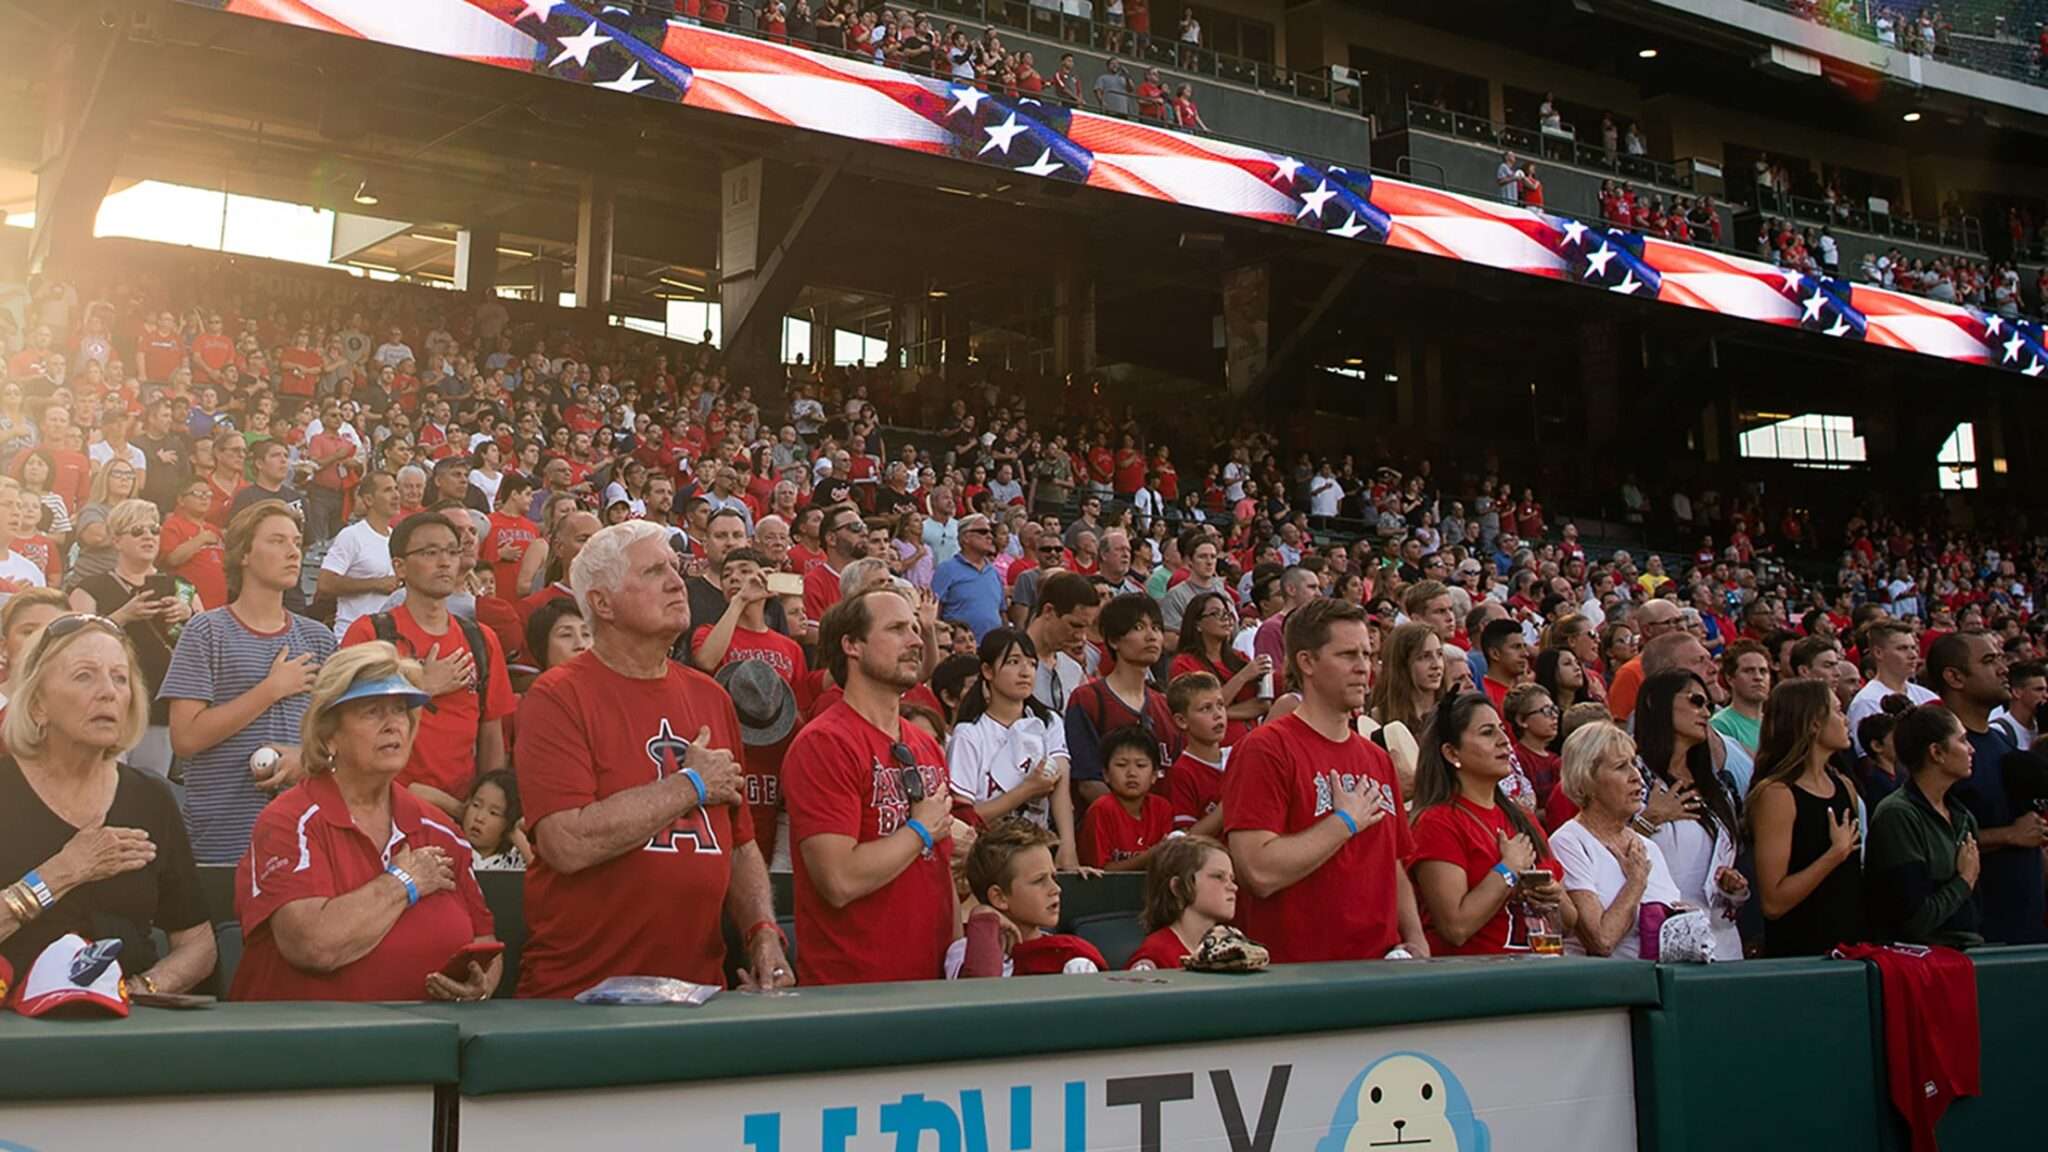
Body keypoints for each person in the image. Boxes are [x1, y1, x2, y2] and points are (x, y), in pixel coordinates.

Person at [515, 521, 788, 996]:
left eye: (676, 569)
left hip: (698, 994)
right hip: (581, 997)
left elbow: (740, 843)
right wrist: (690, 786)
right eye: (654, 571)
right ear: (602, 603)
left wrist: (762, 931)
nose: (677, 581)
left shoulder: (711, 696)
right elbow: (566, 842)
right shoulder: (557, 696)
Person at [229, 643, 498, 1001]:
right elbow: (312, 945)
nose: (393, 725)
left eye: (401, 711)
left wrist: (479, 986)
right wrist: (405, 882)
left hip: (426, 1043)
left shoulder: (440, 828)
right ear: (329, 736)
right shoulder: (289, 821)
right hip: (308, 1046)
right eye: (372, 712)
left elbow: (485, 942)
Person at [0, 614, 215, 994]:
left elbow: (197, 944)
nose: (109, 692)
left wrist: (137, 990)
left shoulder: (150, 798)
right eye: (85, 676)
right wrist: (63, 871)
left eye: (120, 678)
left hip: (122, 1029)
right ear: (37, 705)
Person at [1223, 597, 1429, 962]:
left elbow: (1392, 864)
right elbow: (1258, 871)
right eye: (1348, 655)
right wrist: (1344, 822)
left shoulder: (1378, 760)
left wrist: (1415, 938)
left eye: (1368, 655)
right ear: (1307, 662)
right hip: (1298, 977)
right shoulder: (1265, 749)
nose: (1363, 668)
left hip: (1382, 967)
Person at [784, 587, 959, 984]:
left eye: (915, 628)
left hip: (930, 985)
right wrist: (919, 830)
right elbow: (838, 880)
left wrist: (957, 958)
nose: (916, 640)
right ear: (851, 645)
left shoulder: (926, 744)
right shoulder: (824, 743)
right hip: (854, 994)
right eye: (897, 628)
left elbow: (940, 868)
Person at [162, 500, 336, 865]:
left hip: (304, 841)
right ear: (243, 554)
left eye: (295, 541)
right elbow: (186, 738)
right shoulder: (206, 630)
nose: (292, 551)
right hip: (222, 840)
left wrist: (307, 760)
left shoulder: (318, 638)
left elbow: (338, 742)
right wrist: (271, 689)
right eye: (276, 541)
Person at [342, 511, 513, 818]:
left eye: (452, 550)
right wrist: (422, 685)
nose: (445, 561)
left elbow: (490, 732)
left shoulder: (481, 640)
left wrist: (488, 811)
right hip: (384, 810)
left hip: (459, 816)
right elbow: (348, 725)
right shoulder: (369, 634)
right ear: (400, 566)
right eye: (430, 552)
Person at [1407, 693, 1573, 955]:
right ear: (1451, 752)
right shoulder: (1437, 822)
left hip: (1539, 974)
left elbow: (1570, 920)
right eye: (1487, 732)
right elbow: (1455, 927)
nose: (1504, 740)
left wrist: (1552, 895)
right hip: (1476, 982)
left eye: (1502, 730)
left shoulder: (1523, 818)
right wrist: (1508, 870)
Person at [1928, 631, 2047, 944]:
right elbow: (1933, 839)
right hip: (1979, 932)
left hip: (2027, 924)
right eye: (1989, 660)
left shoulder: (2000, 741)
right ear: (1954, 677)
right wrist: (2009, 835)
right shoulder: (1938, 751)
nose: (2004, 668)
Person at [68, 499, 192, 778]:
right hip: (106, 701)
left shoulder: (181, 587)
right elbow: (72, 644)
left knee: (151, 785)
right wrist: (122, 617)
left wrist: (189, 617)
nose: (148, 536)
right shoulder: (90, 587)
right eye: (137, 531)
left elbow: (206, 647)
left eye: (154, 530)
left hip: (159, 703)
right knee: (104, 780)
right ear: (116, 540)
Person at [1635, 671, 1749, 961]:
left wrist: (1732, 888)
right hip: (1656, 938)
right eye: (1696, 701)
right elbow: (1606, 848)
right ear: (1654, 702)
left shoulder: (1718, 787)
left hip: (1721, 942)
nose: (1705, 712)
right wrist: (1650, 820)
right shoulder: (1633, 776)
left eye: (1708, 705)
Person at [1748, 678, 1866, 957]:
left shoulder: (1844, 785)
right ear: (1813, 723)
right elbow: (1773, 902)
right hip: (1800, 952)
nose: (1846, 720)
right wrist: (1834, 854)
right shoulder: (1777, 794)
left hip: (1850, 947)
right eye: (1838, 711)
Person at [946, 627, 1079, 868]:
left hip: (1038, 850)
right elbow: (964, 818)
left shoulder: (1049, 722)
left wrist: (1068, 846)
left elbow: (1061, 783)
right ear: (987, 670)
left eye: (1031, 664)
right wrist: (1026, 790)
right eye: (1014, 662)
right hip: (987, 856)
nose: (1025, 672)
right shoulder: (969, 734)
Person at [1551, 722, 1683, 958]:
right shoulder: (1569, 842)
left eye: (1635, 763)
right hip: (1604, 988)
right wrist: (1635, 883)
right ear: (1586, 781)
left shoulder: (1648, 847)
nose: (1636, 777)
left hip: (1657, 986)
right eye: (1621, 767)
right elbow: (1601, 941)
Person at [1866, 704, 1982, 948]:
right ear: (1936, 752)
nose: (1971, 750)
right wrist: (1965, 879)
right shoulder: (1897, 816)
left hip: (1969, 951)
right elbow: (1916, 919)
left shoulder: (1962, 816)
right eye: (1962, 741)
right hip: (1920, 963)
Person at [949, 819, 1105, 979]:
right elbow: (979, 993)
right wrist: (984, 918)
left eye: (1053, 877)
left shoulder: (1069, 953)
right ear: (999, 897)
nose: (1056, 889)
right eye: (1039, 881)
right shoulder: (964, 951)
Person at [1065, 593, 1179, 806]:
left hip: (1164, 829)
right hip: (1107, 828)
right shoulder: (1088, 699)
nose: (1151, 636)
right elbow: (1088, 782)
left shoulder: (1165, 705)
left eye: (1156, 628)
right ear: (1114, 640)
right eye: (1138, 627)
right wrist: (1134, 823)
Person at [1169, 590, 1269, 747]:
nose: (1226, 618)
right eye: (1215, 613)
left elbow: (1262, 705)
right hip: (1213, 750)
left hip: (1249, 745)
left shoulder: (1240, 658)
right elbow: (1200, 707)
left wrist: (1220, 713)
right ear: (1198, 624)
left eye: (1227, 613)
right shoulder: (1184, 664)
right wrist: (1243, 676)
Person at [1127, 834, 1237, 971]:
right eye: (1218, 876)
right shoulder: (1154, 956)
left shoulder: (1230, 952)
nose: (1233, 887)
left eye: (1232, 879)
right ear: (1178, 887)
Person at [318, 471, 401, 640]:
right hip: (352, 637)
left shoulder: (397, 538)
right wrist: (375, 584)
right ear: (369, 500)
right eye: (387, 490)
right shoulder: (351, 535)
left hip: (388, 639)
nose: (396, 495)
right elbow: (325, 584)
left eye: (396, 489)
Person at [1082, 726, 1174, 871]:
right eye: (1121, 765)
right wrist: (1152, 854)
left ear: (1155, 774)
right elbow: (1102, 873)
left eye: (1141, 765)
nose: (1132, 773)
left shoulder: (1162, 808)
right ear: (1106, 774)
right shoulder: (1101, 809)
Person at [1847, 621, 1937, 755]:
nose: (1913, 655)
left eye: (1913, 648)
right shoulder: (1867, 702)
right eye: (1902, 648)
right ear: (1878, 653)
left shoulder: (1928, 697)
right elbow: (1867, 760)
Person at [1165, 671, 1229, 837]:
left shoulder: (1238, 757)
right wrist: (1229, 804)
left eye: (1221, 705)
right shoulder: (1182, 773)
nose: (1218, 714)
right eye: (1206, 708)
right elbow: (1187, 838)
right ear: (1182, 721)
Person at [929, 512, 1002, 642]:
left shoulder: (993, 572)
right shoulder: (947, 569)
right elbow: (934, 612)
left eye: (990, 532)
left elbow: (1001, 612)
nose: (990, 536)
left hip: (992, 649)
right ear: (965, 538)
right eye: (983, 532)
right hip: (960, 649)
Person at [161, 475, 229, 611]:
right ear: (181, 499)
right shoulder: (172, 525)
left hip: (220, 605)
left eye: (208, 494)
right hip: (189, 606)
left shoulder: (214, 529)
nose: (204, 498)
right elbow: (171, 559)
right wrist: (200, 540)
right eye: (197, 493)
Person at [1711, 639, 1771, 756]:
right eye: (1748, 671)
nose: (1758, 677)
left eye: (1763, 671)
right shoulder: (1721, 725)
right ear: (1730, 679)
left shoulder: (1774, 723)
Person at [462, 770, 529, 870]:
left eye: (493, 813)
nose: (479, 818)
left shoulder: (515, 858)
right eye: (476, 805)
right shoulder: (451, 846)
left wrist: (513, 832)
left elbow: (539, 872)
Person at [1990, 660, 2045, 751]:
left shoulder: (2041, 728)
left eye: (2046, 690)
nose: (2045, 695)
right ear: (2016, 692)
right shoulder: (1999, 730)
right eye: (2039, 690)